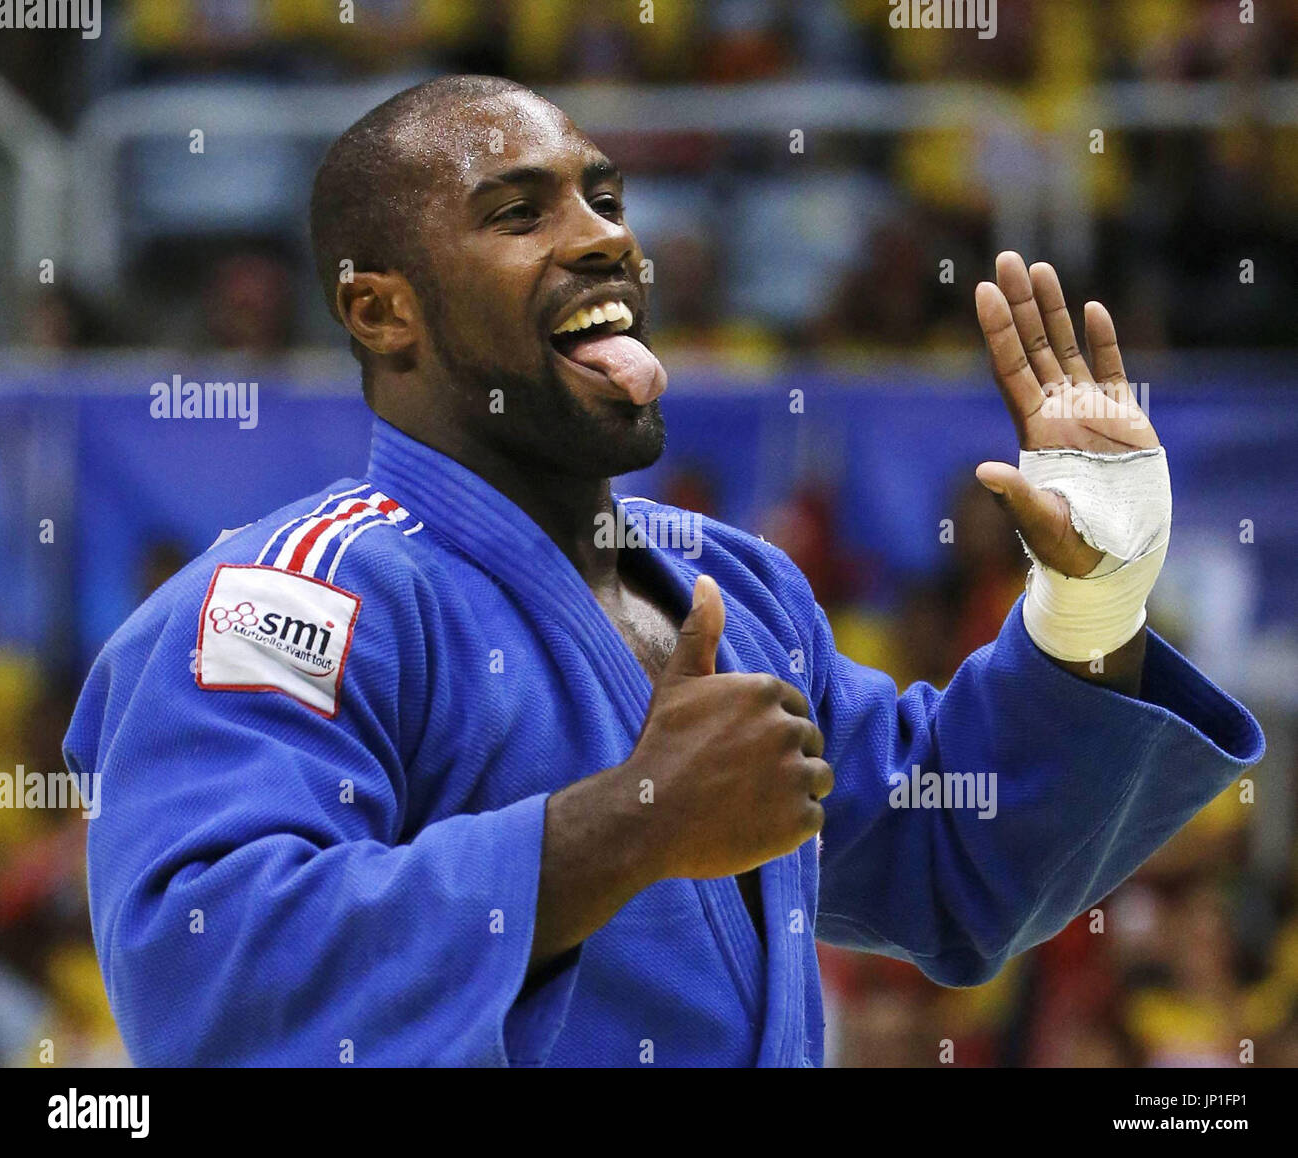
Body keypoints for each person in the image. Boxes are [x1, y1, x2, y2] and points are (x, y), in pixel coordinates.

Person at [64, 75, 1264, 1067]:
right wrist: (634, 827)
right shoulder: (296, 597)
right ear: (383, 311)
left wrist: (1093, 602)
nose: (604, 236)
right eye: (518, 213)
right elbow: (208, 983)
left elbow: (950, 869)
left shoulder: (732, 589)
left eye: (602, 195)